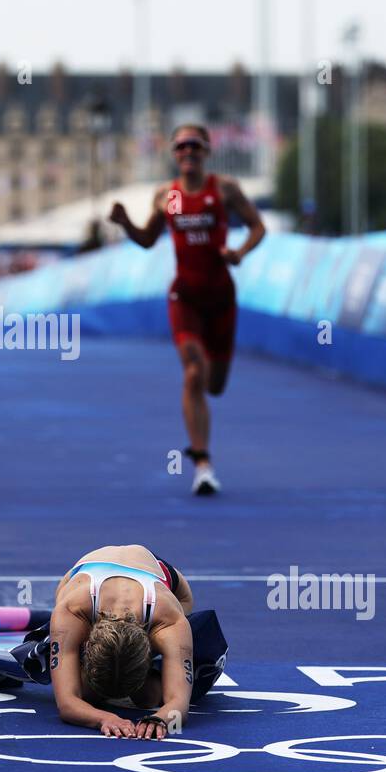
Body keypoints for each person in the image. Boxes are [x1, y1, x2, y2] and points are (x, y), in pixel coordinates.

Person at [109, 124, 266, 495]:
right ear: (174, 154)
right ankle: (202, 464)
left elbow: (258, 227)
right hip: (186, 297)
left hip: (220, 297)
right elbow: (147, 240)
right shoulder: (167, 196)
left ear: (207, 150)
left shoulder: (224, 189)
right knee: (194, 371)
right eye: (181, 147)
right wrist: (125, 223)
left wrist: (239, 253)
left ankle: (202, 447)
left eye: (195, 146)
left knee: (215, 384)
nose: (188, 153)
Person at [47, 544, 195, 740]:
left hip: (164, 577)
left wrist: (159, 719)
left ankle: (136, 675)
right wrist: (103, 718)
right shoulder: (71, 610)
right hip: (88, 573)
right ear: (87, 644)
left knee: (148, 698)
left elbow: (179, 703)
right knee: (87, 694)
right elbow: (67, 704)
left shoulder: (169, 620)